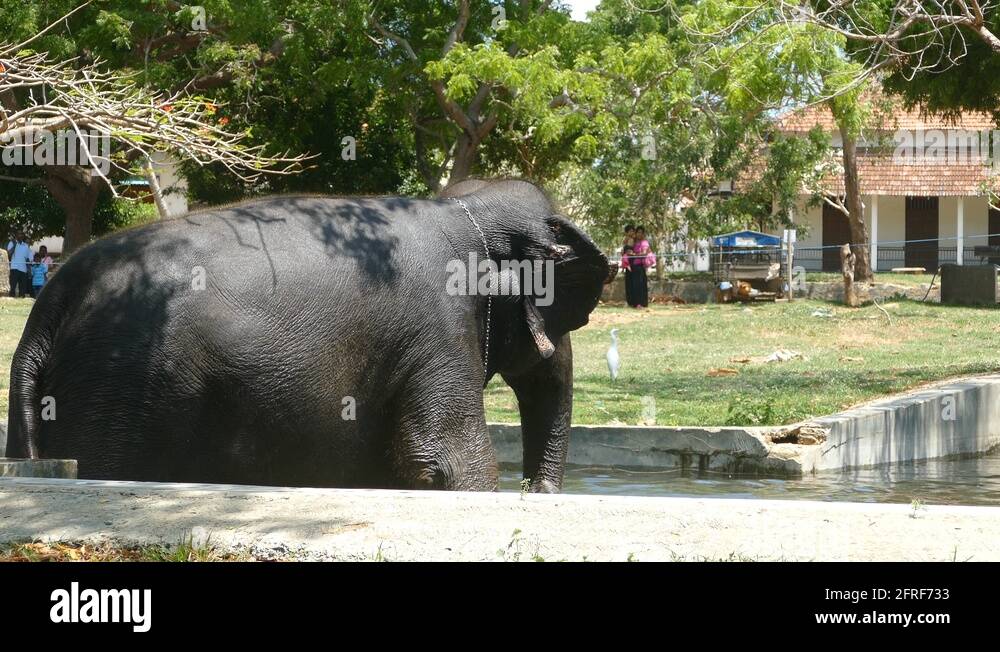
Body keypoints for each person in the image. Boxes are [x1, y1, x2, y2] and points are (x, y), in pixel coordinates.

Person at [627, 226, 655, 308]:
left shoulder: (644, 242)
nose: (639, 234)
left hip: (640, 267)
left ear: (643, 234)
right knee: (634, 285)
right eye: (637, 232)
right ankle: (634, 303)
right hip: (633, 267)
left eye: (641, 232)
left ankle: (641, 303)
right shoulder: (634, 242)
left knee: (640, 286)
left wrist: (634, 255)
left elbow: (644, 253)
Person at [8, 232, 32, 298]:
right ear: (16, 235)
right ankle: (11, 299)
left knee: (22, 289)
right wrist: (15, 245)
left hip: (23, 270)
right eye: (19, 234)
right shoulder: (11, 243)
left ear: (23, 236)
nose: (20, 235)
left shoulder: (26, 246)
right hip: (14, 268)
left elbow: (27, 259)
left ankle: (21, 300)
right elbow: (9, 254)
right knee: (12, 287)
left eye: (22, 234)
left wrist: (29, 270)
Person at [621, 224, 636, 306]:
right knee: (628, 282)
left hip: (633, 262)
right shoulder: (625, 240)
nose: (632, 232)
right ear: (626, 232)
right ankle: (629, 300)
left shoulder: (634, 240)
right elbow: (623, 252)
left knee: (632, 282)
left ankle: (633, 301)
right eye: (630, 231)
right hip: (627, 263)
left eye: (633, 231)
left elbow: (630, 251)